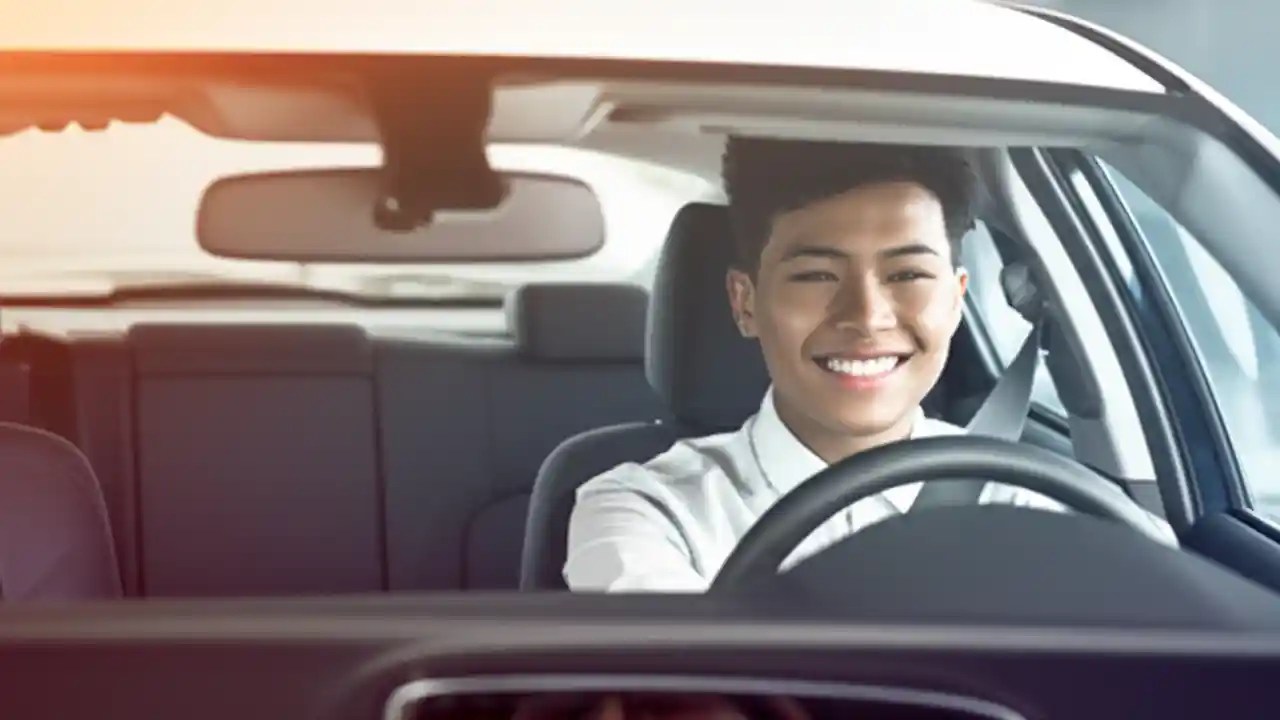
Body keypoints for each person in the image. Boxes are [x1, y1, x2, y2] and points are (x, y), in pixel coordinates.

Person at [564, 137, 1173, 593]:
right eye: (816, 275)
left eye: (907, 274)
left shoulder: (1034, 503)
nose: (867, 315)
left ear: (957, 300)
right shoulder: (647, 510)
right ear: (745, 303)